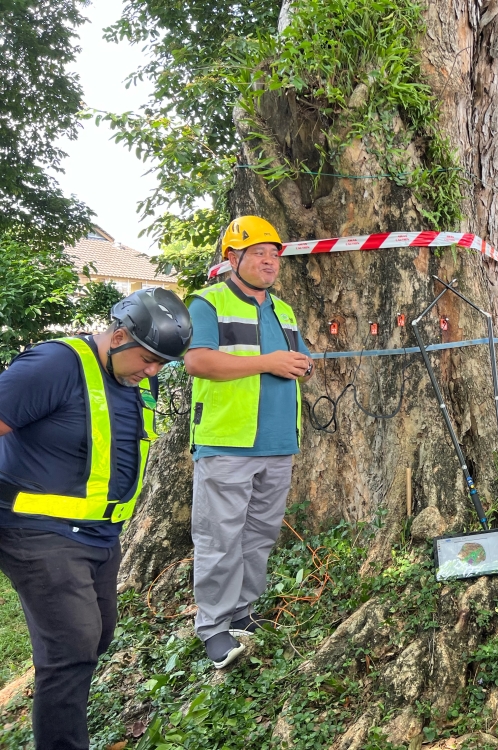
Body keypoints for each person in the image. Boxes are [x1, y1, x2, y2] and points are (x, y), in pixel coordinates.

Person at [0, 289, 192, 750]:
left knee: (98, 633)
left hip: (101, 535)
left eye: (163, 364)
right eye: (148, 359)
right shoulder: (55, 365)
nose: (153, 371)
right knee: (73, 647)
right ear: (119, 334)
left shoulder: (137, 379)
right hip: (35, 528)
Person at [185, 216, 313, 669]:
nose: (269, 261)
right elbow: (198, 362)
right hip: (227, 442)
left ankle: (243, 611)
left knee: (259, 535)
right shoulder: (208, 303)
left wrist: (298, 364)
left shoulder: (284, 310)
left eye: (274, 253)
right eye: (258, 252)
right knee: (220, 538)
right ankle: (215, 628)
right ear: (233, 258)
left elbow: (292, 360)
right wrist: (269, 363)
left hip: (278, 443)